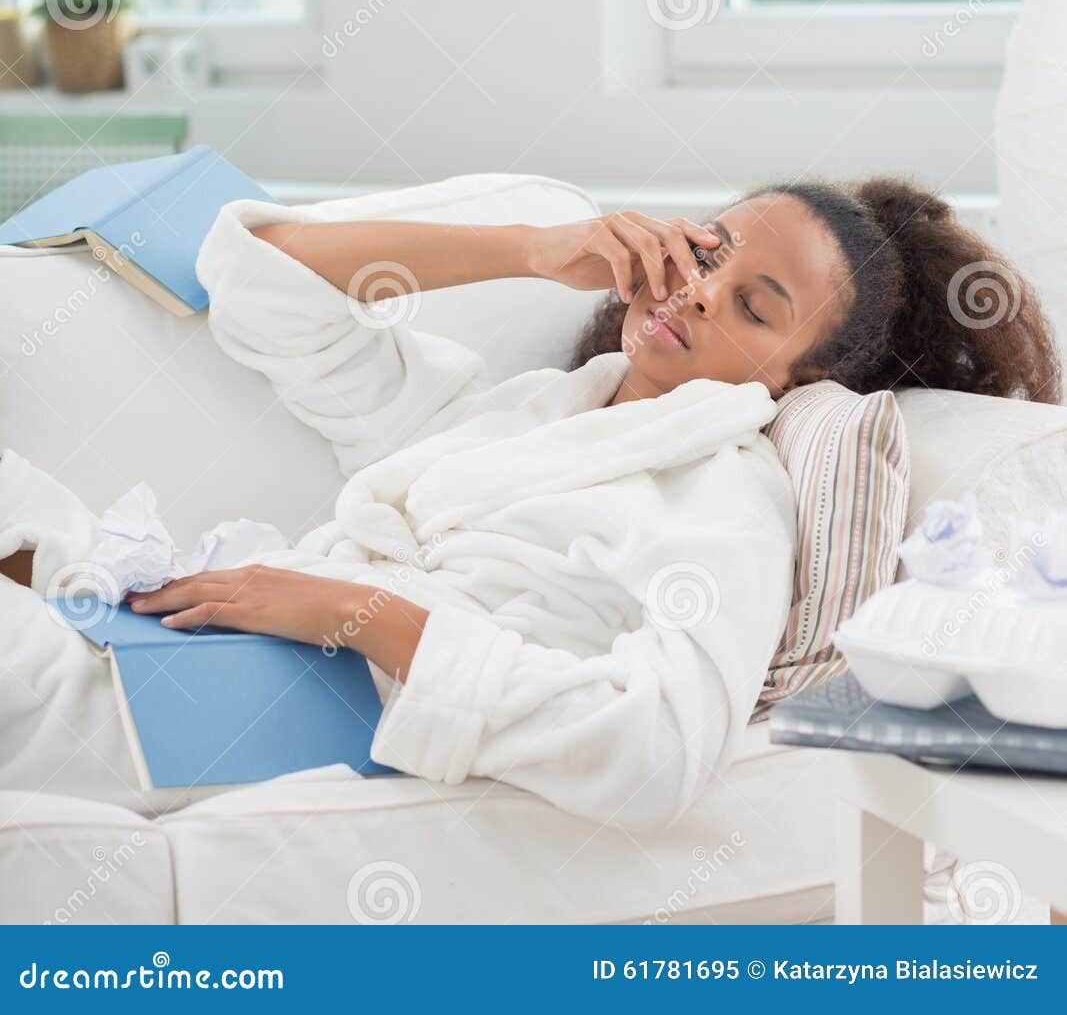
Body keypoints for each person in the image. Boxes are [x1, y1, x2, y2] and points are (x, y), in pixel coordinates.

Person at [0, 175, 1057, 828]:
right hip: (194, 629)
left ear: (787, 380)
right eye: (709, 251)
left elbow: (658, 749)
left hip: (290, 702)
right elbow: (258, 280)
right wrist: (535, 248)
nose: (696, 290)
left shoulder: (722, 497)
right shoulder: (516, 410)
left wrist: (344, 610)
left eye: (751, 305)